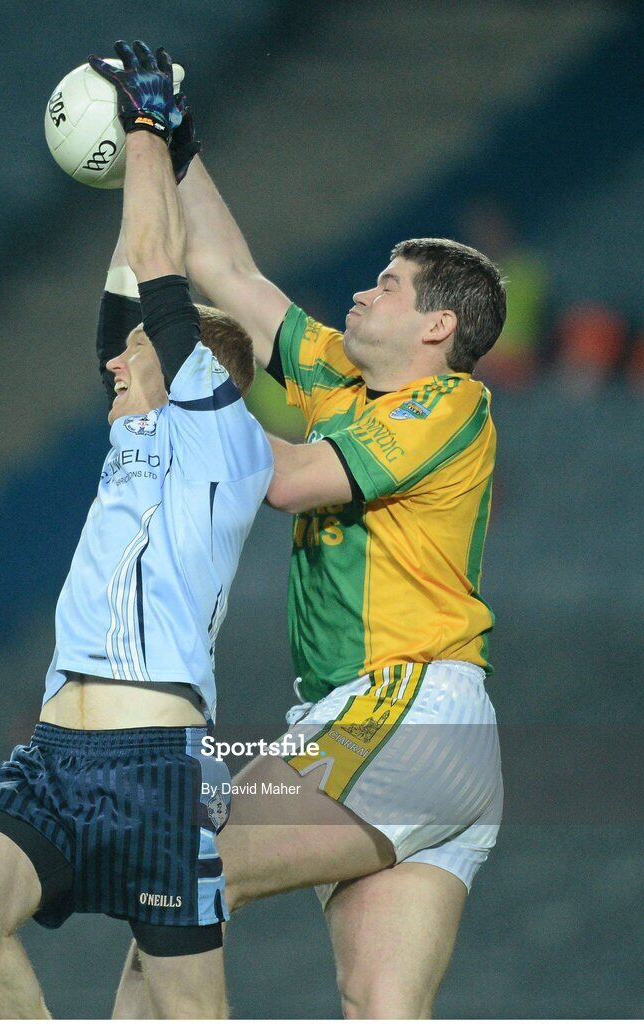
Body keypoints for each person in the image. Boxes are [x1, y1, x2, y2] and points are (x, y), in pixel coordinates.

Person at [114, 82, 508, 1019]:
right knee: (381, 1009)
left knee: (186, 873)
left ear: (437, 328)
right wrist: (175, 142)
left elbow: (289, 480)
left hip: (404, 710)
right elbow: (229, 270)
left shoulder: (446, 403)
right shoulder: (339, 372)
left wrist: (189, 380)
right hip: (427, 739)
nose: (365, 290)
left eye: (389, 284)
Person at [0, 41, 272, 1019]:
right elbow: (131, 289)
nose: (112, 370)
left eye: (134, 356)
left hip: (154, 773)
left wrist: (144, 125)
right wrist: (153, 150)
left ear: (196, 369)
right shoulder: (146, 430)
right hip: (50, 762)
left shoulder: (216, 419)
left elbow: (160, 270)